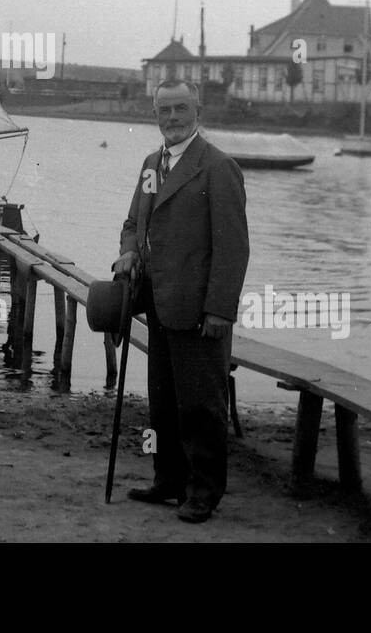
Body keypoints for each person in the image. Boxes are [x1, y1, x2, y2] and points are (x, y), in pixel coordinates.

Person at [113, 78, 249, 524]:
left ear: (198, 112)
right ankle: (168, 479)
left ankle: (204, 493)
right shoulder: (152, 163)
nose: (171, 118)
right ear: (154, 114)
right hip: (157, 302)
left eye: (180, 109)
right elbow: (135, 219)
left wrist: (220, 309)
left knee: (202, 405)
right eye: (163, 110)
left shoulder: (218, 167)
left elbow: (233, 248)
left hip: (199, 310)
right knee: (163, 400)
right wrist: (129, 250)